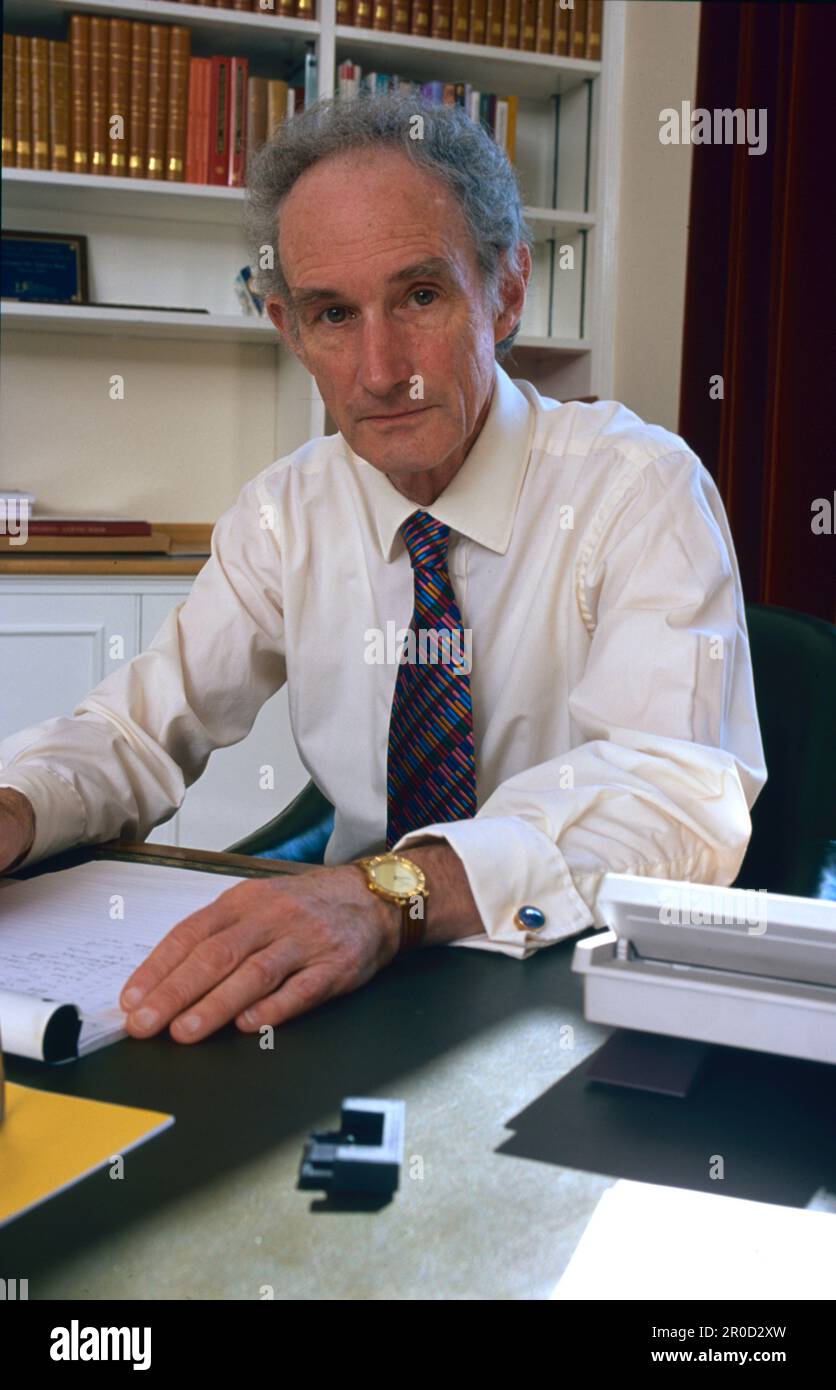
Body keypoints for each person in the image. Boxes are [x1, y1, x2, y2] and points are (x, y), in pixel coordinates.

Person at [0, 93, 767, 1047]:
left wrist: (392, 892)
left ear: (507, 291)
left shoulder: (639, 487)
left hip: (580, 983)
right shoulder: (285, 514)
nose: (378, 370)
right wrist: (18, 805)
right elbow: (138, 730)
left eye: (420, 296)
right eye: (332, 314)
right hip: (346, 988)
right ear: (290, 331)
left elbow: (675, 793)